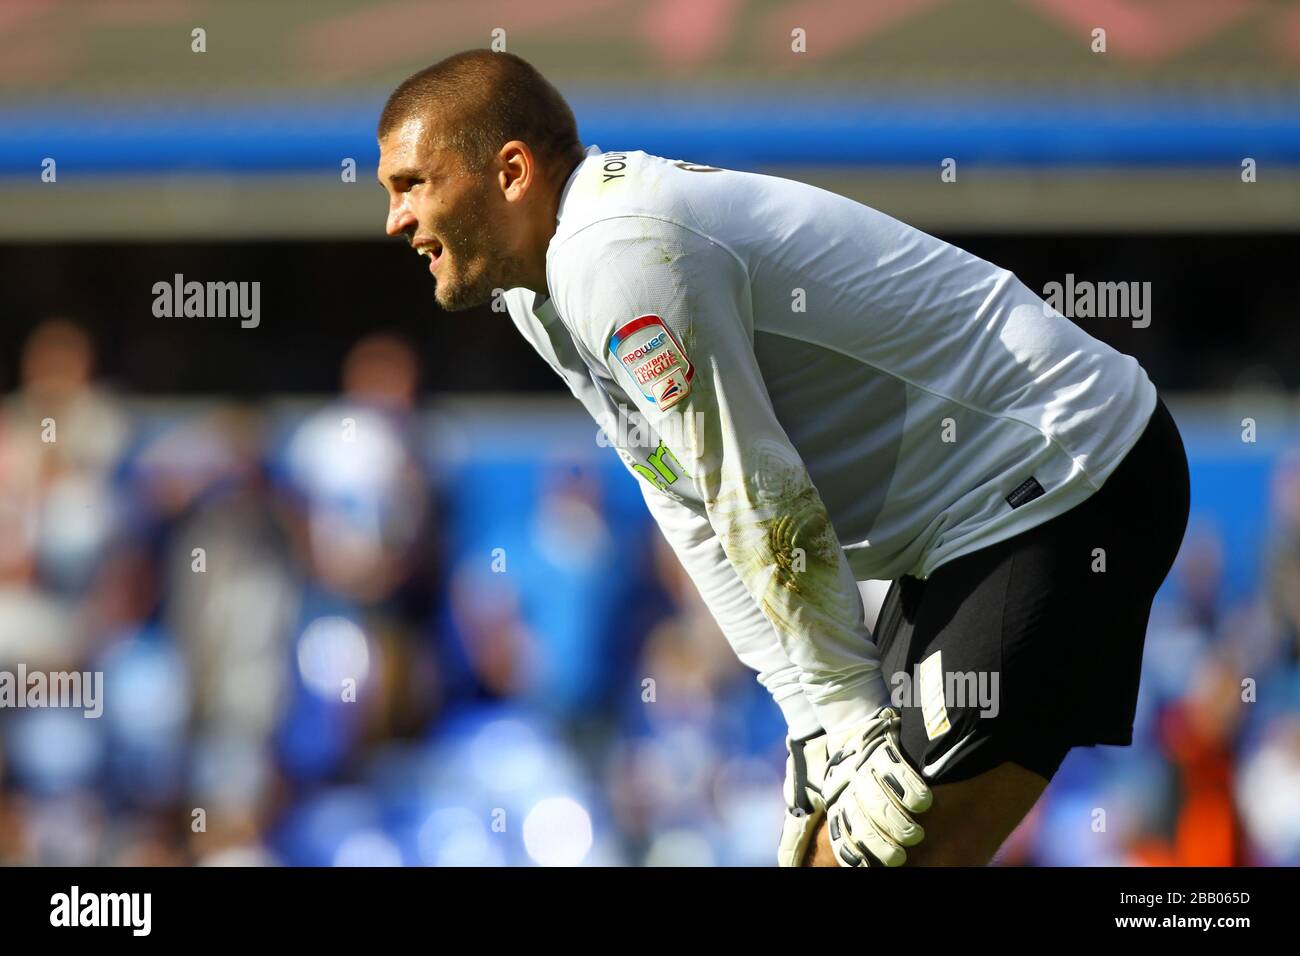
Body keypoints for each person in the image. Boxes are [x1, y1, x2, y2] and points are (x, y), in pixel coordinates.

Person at [376, 50, 1191, 866]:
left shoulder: (614, 252)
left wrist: (847, 715)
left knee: (882, 853)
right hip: (966, 525)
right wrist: (809, 715)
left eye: (413, 183)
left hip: (1063, 480)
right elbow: (686, 501)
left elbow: (758, 495)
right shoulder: (539, 289)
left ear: (511, 171)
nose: (395, 221)